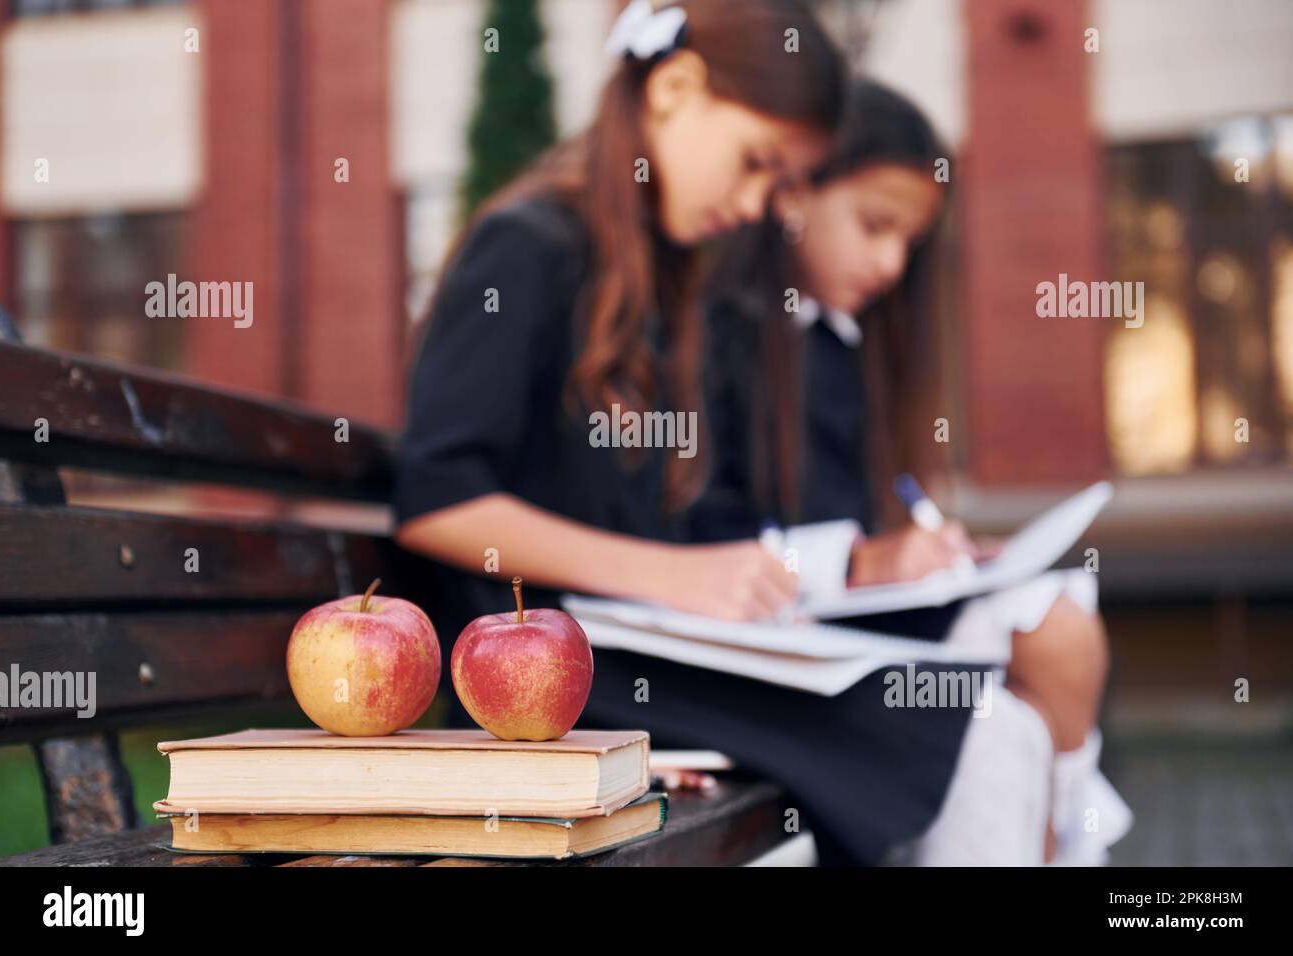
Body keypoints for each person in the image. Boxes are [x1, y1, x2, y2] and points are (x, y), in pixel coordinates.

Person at [395, 1, 965, 866]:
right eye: (754, 164)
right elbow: (437, 499)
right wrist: (674, 575)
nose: (753, 205)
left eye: (778, 185)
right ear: (674, 88)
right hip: (544, 674)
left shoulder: (658, 281)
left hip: (621, 649)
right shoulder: (525, 247)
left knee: (924, 688)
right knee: (908, 711)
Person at [694, 78, 1133, 864]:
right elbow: (701, 532)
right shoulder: (717, 335)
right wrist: (862, 559)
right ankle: (1063, 841)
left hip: (857, 606)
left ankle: (1067, 839)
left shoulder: (852, 343)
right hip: (774, 625)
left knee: (1062, 627)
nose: (892, 264)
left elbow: (873, 504)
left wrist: (927, 544)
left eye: (910, 242)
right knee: (1016, 700)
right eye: (874, 226)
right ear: (794, 191)